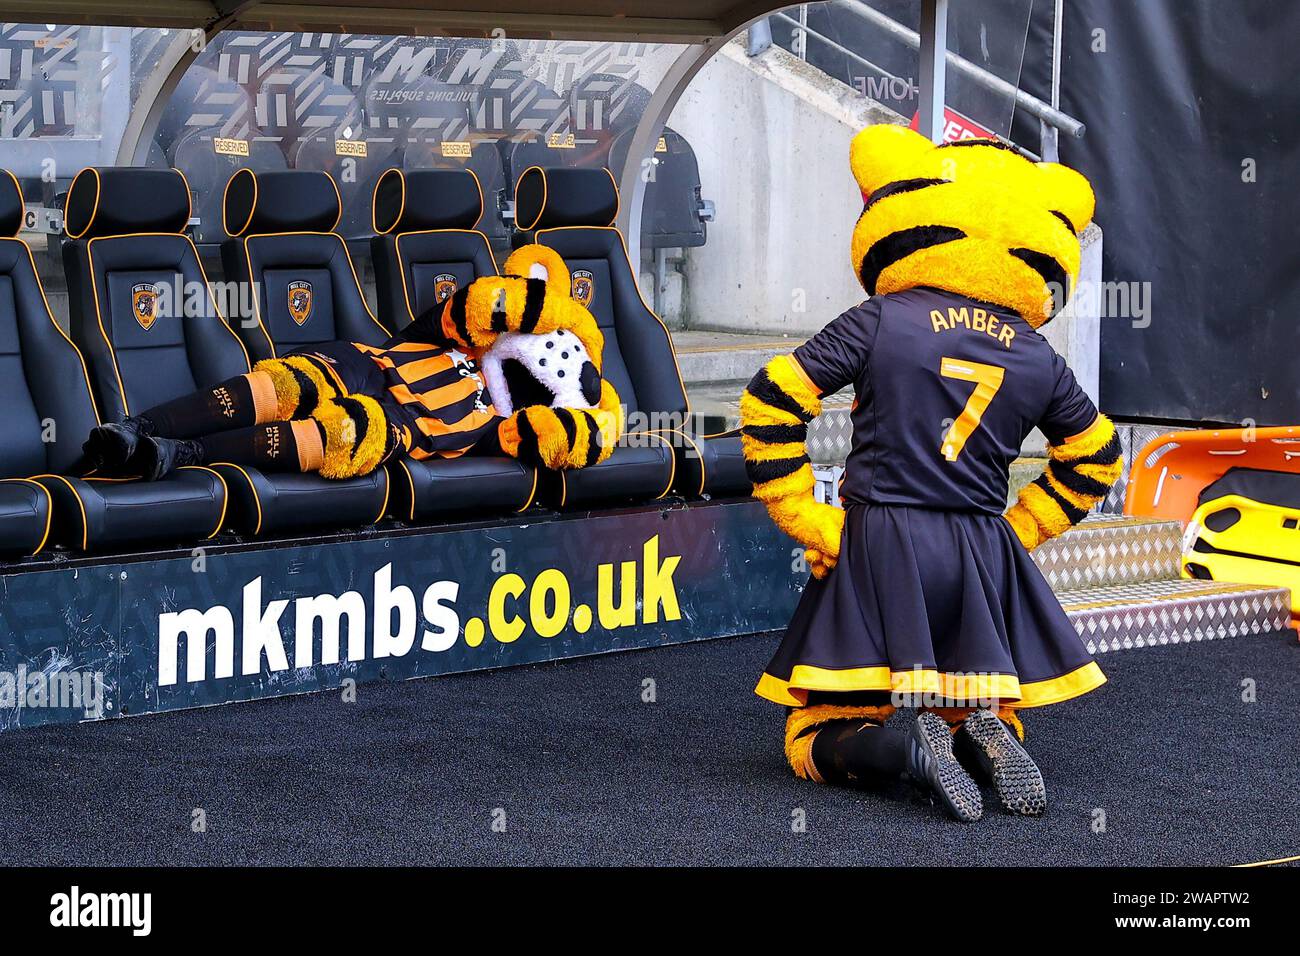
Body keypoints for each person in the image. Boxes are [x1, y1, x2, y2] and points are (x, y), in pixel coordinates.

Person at [740, 125, 1122, 821]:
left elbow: (771, 398)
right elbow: (1097, 453)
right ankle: (980, 737)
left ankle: (902, 754)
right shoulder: (1037, 355)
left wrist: (807, 514)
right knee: (974, 694)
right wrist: (1022, 529)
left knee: (816, 730)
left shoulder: (882, 318)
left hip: (881, 538)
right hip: (977, 547)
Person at [82, 245, 623, 481]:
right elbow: (468, 306)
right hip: (370, 364)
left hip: (404, 426)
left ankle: (184, 454)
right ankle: (138, 428)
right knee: (289, 384)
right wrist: (522, 306)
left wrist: (576, 425)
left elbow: (568, 441)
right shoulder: (457, 341)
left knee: (348, 434)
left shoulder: (496, 428)